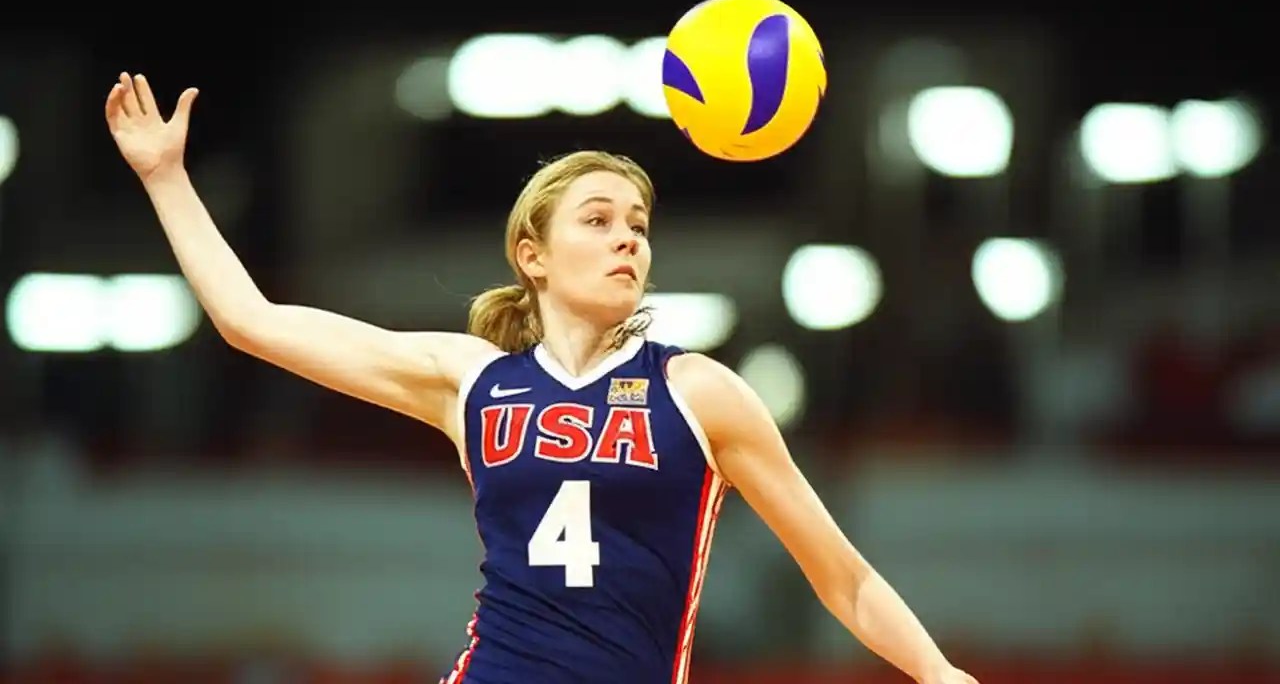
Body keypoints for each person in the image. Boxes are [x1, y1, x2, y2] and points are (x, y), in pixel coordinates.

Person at [104, 71, 980, 684]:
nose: (628, 237)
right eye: (597, 220)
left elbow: (844, 578)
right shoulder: (471, 379)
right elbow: (251, 322)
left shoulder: (699, 391)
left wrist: (939, 673)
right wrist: (165, 176)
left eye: (638, 224)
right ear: (533, 256)